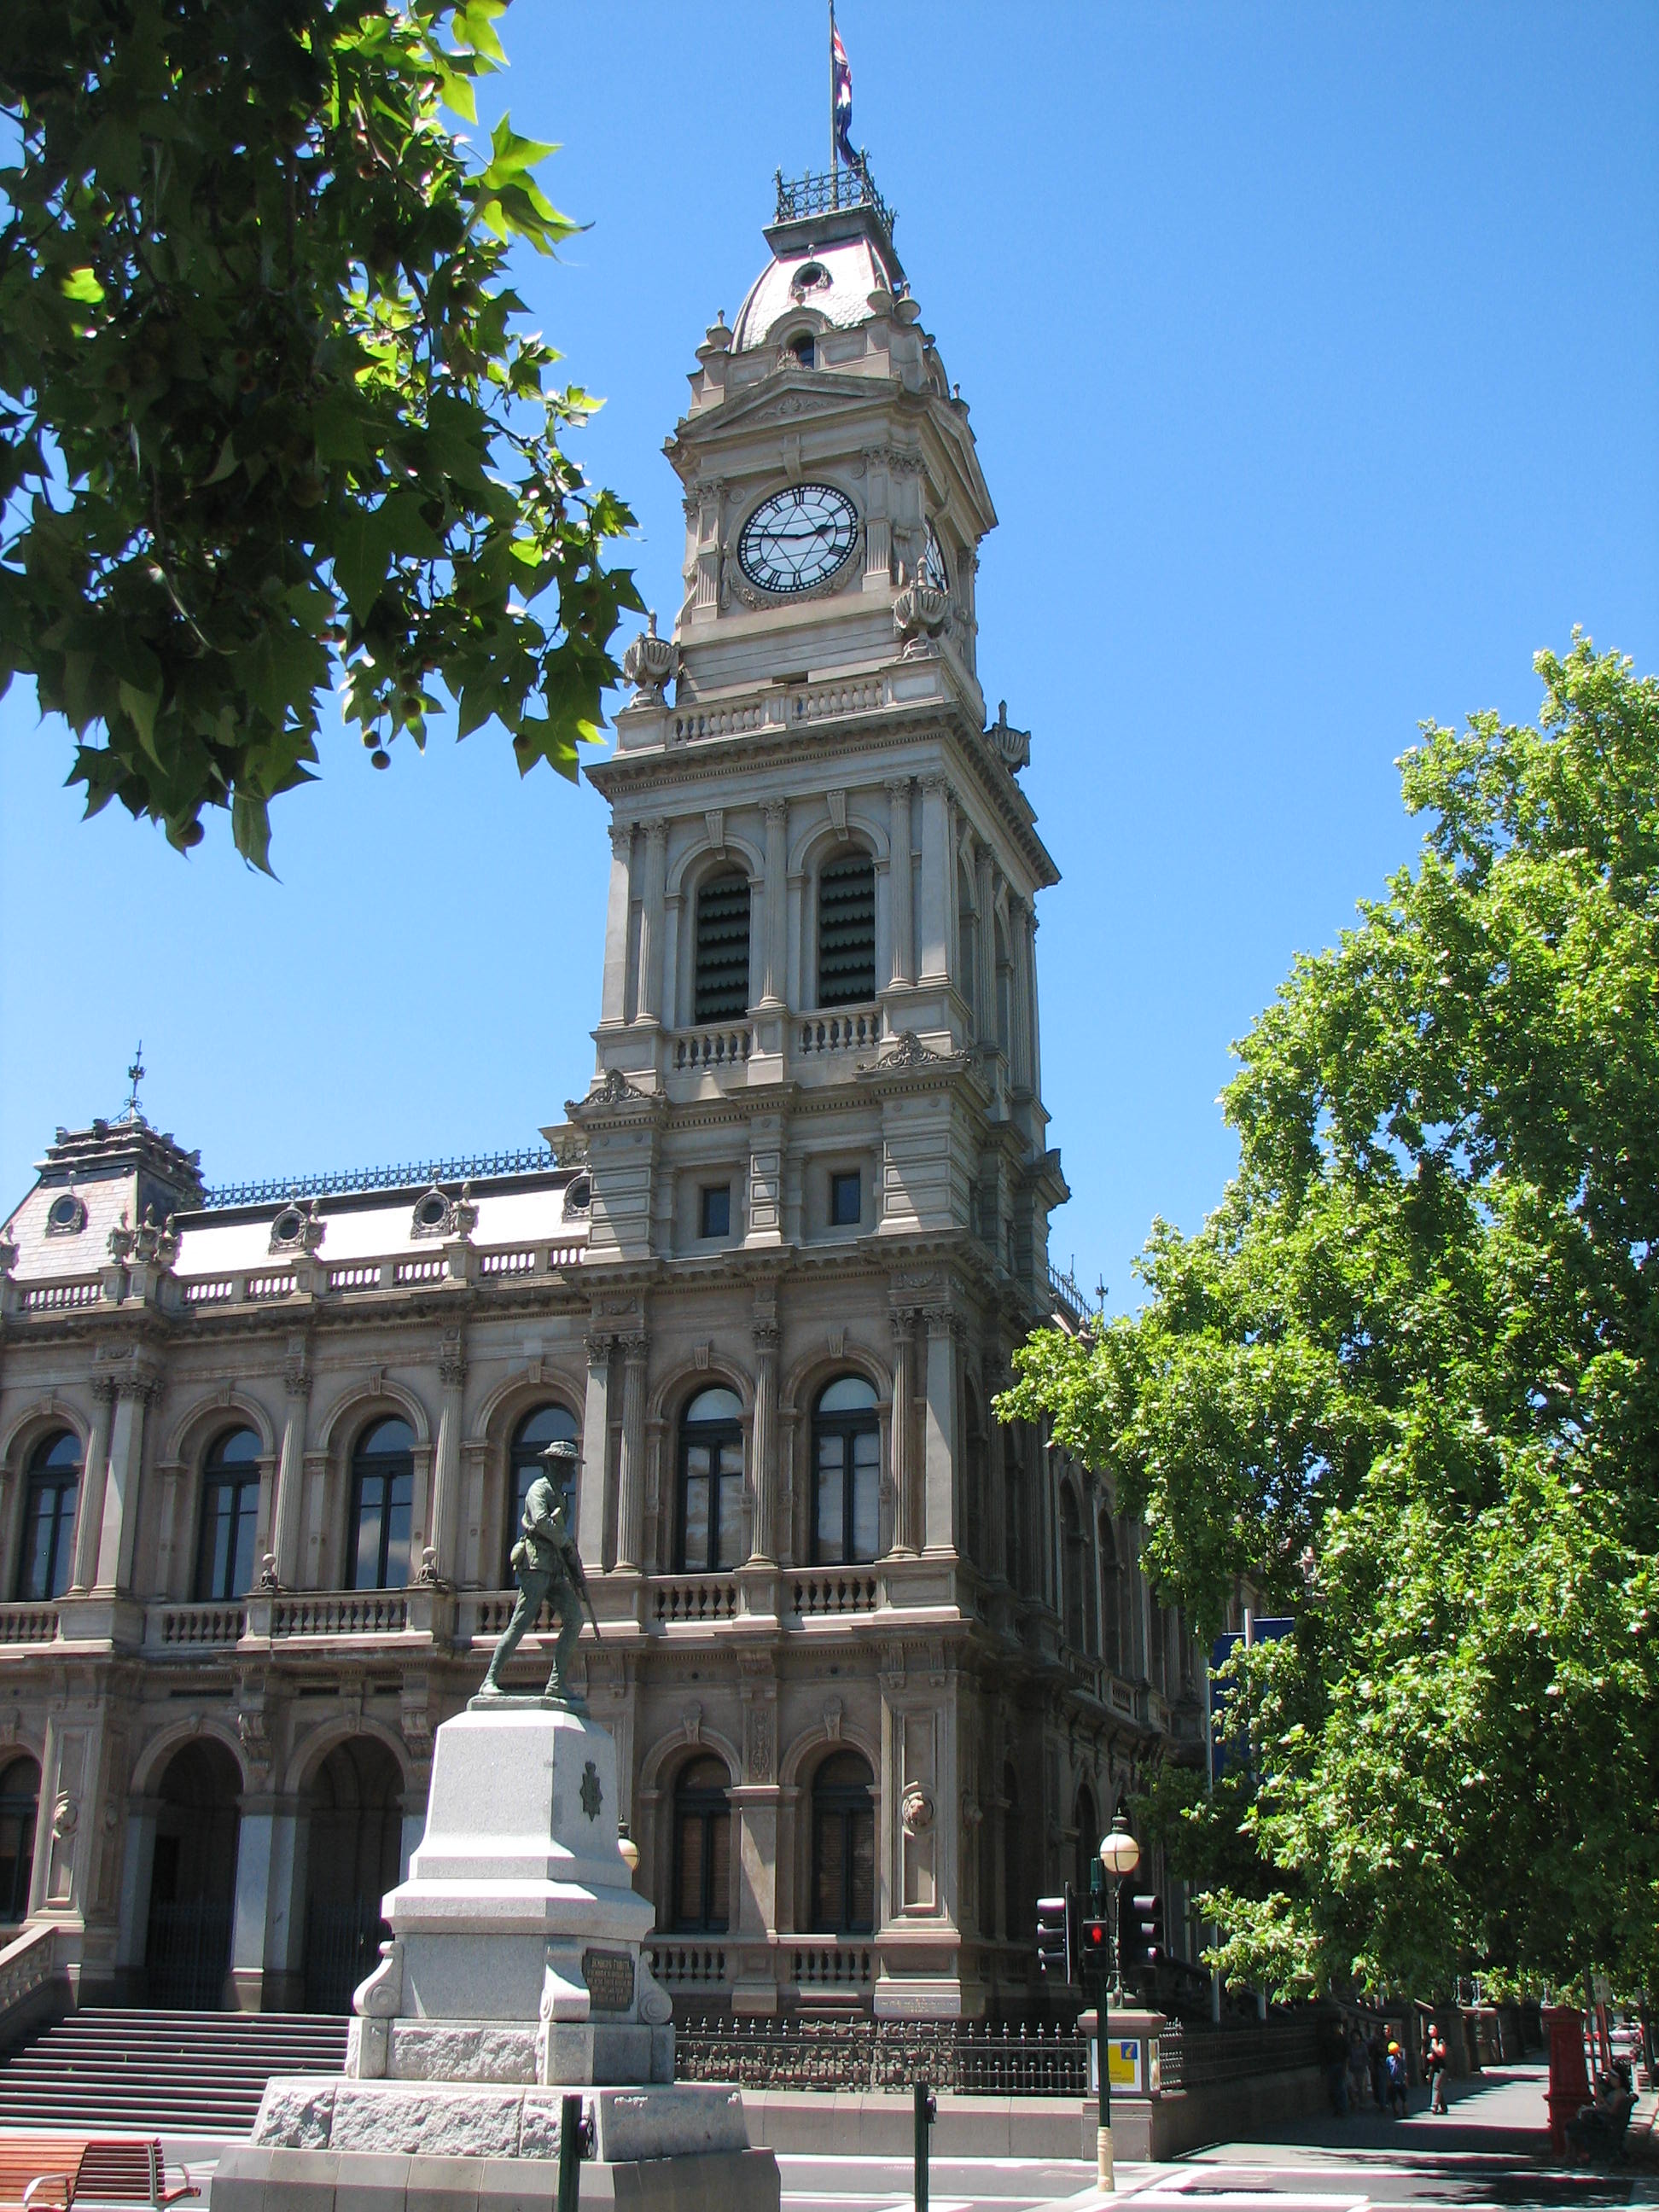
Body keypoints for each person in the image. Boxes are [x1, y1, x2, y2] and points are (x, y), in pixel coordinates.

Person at [478, 1440, 589, 1703]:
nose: (571, 1472)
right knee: (521, 1622)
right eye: (567, 1466)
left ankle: (556, 1683)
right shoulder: (538, 1489)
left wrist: (577, 1572)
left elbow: (562, 1536)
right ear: (555, 1464)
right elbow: (540, 1522)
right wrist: (563, 1541)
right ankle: (489, 1680)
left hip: (555, 1567)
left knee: (575, 1620)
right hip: (537, 1563)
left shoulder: (561, 1496)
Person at [1427, 2029, 1450, 2115]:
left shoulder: (1440, 2040)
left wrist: (1434, 2045)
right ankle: (1444, 2107)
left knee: (1436, 2086)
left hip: (1441, 2067)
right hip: (1432, 2067)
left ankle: (1434, 2106)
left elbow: (1441, 2053)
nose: (1431, 2031)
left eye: (1433, 2029)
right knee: (1438, 2087)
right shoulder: (1427, 2040)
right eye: (1429, 2029)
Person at [1386, 2039, 1409, 2118]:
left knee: (1404, 2098)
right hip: (1393, 2081)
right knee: (1394, 2097)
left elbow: (1405, 2071)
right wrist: (1388, 2080)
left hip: (1401, 2081)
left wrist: (1406, 2081)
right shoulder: (1388, 2060)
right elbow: (1388, 2070)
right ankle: (1396, 2111)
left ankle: (1405, 2109)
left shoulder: (1401, 2060)